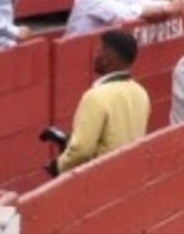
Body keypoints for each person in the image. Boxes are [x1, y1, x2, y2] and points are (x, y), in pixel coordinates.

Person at [55, 29, 149, 173]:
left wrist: (59, 165)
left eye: (98, 51)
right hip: (131, 172)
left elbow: (82, 150)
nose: (95, 56)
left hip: (102, 175)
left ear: (107, 59)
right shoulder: (141, 92)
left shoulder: (95, 96)